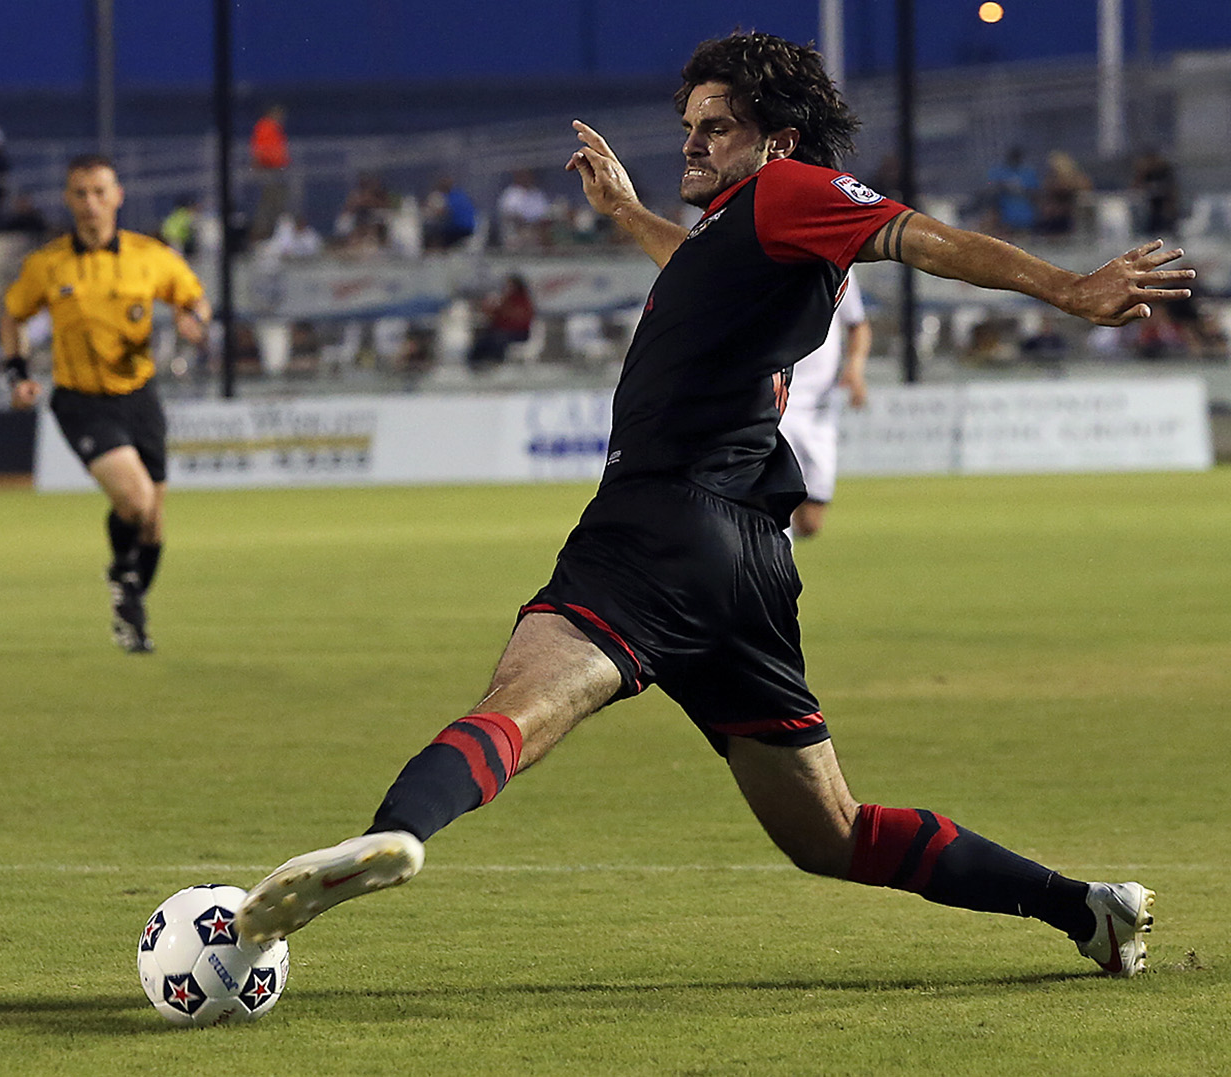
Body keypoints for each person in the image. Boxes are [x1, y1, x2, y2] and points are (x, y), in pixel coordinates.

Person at [235, 32, 1185, 981]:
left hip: (656, 525)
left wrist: (1068, 286)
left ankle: (394, 834)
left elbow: (919, 234)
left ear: (780, 140)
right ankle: (1088, 911)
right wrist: (625, 213)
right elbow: (691, 266)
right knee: (831, 833)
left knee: (520, 703)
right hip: (745, 564)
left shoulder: (789, 190)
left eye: (717, 127)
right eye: (688, 126)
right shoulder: (745, 228)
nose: (693, 142)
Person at [0, 154, 211, 653]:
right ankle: (121, 575)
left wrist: (194, 321)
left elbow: (194, 298)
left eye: (100, 192)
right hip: (81, 401)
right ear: (69, 200)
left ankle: (129, 602)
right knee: (134, 500)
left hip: (141, 397)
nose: (90, 203)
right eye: (80, 193)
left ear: (117, 196)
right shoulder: (48, 265)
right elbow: (12, 317)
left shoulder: (149, 255)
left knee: (154, 523)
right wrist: (19, 372)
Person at [776, 268, 869, 540]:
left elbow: (858, 324)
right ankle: (775, 561)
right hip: (778, 403)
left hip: (820, 408)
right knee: (777, 504)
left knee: (811, 522)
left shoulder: (838, 267)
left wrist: (855, 368)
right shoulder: (768, 260)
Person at [466, 273, 535, 369]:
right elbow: (494, 315)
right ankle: (474, 364)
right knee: (483, 341)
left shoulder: (523, 300)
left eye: (510, 285)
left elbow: (519, 318)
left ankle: (495, 364)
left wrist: (503, 310)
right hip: (499, 331)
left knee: (499, 341)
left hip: (518, 333)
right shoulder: (504, 299)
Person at [250, 104, 291, 243]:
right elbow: (259, 150)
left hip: (276, 171)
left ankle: (270, 236)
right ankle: (261, 236)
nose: (282, 118)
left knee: (277, 204)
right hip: (268, 171)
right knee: (269, 204)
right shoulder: (265, 126)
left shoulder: (275, 128)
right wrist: (260, 165)